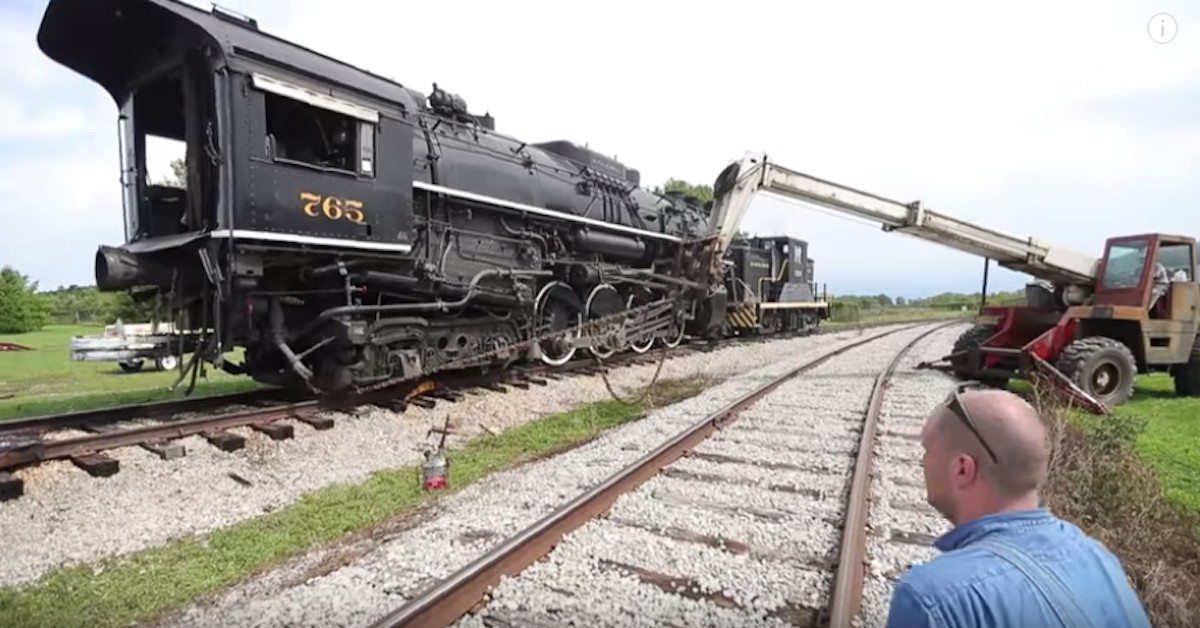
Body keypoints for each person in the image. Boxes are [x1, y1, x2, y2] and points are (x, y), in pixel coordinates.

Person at [885, 384, 1150, 628]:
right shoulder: (1099, 560)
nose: (923, 463)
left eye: (928, 451)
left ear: (963, 469)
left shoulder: (931, 598)